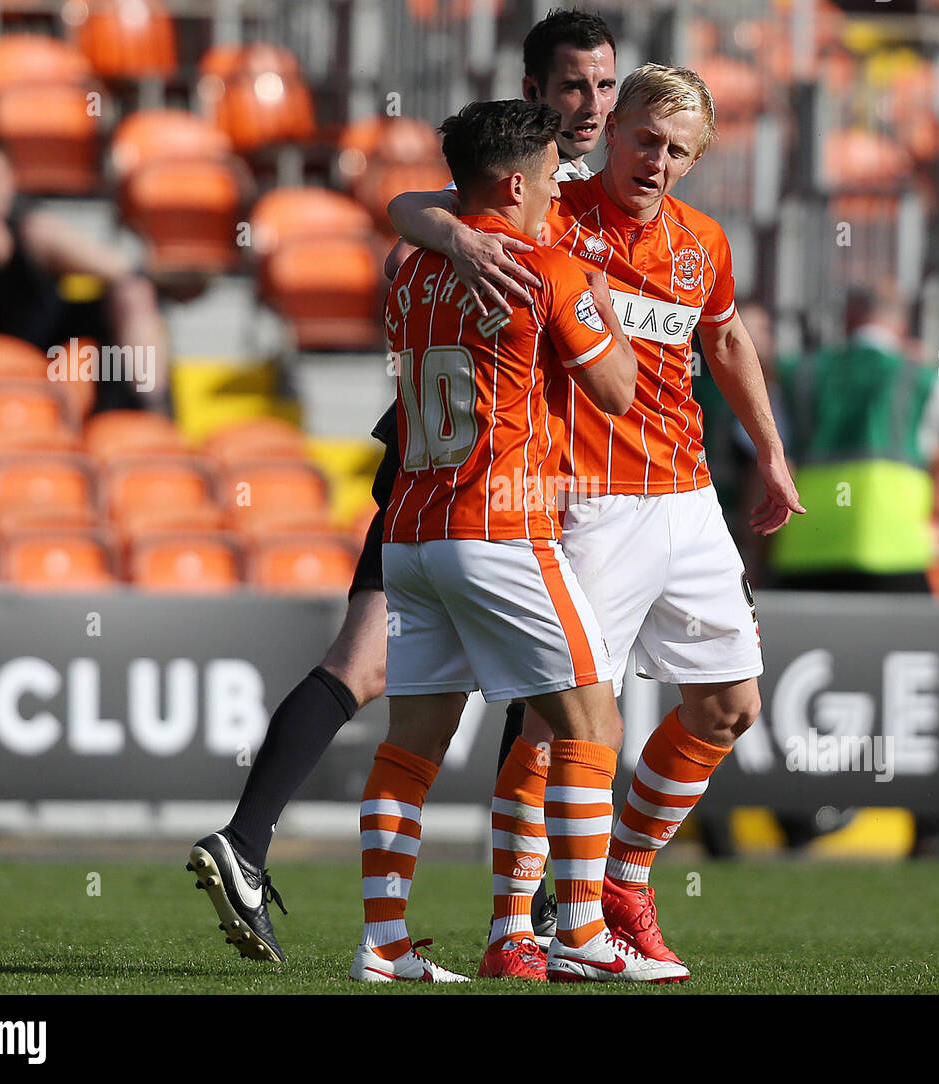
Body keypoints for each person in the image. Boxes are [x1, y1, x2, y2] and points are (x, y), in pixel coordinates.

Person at [186, 6, 620, 965]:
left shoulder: (603, 186)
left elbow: (410, 221)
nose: (591, 104)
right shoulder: (525, 181)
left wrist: (445, 237)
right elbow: (408, 210)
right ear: (534, 93)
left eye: (604, 84)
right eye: (572, 86)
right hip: (486, 469)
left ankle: (460, 914)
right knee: (554, 692)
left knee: (471, 687)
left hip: (529, 468)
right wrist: (460, 238)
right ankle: (549, 913)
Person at [387, 64, 803, 975]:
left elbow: (725, 339)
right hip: (587, 499)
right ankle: (515, 929)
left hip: (688, 497)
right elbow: (411, 204)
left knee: (730, 706)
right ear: (613, 132)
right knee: (561, 725)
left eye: (677, 151)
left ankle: (624, 878)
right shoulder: (554, 209)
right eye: (645, 138)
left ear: (695, 161)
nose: (657, 161)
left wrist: (768, 451)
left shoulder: (704, 242)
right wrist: (455, 234)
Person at [346, 98, 691, 984]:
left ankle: (382, 944)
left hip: (411, 535)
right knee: (592, 718)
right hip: (498, 525)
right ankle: (576, 932)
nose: (556, 191)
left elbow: (409, 229)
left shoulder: (414, 267)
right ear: (513, 181)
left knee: (411, 744)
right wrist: (604, 305)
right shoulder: (548, 268)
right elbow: (616, 389)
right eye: (547, 177)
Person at [768, 281, 939, 857]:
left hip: (806, 548)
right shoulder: (919, 374)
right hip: (893, 552)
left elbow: (755, 441)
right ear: (898, 324)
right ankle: (928, 829)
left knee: (787, 685)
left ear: (847, 320)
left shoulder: (799, 373)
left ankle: (796, 818)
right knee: (922, 686)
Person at [0, 133, 168, 412]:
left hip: (47, 337)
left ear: (11, 179)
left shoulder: (32, 229)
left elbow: (123, 273)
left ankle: (149, 410)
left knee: (134, 293)